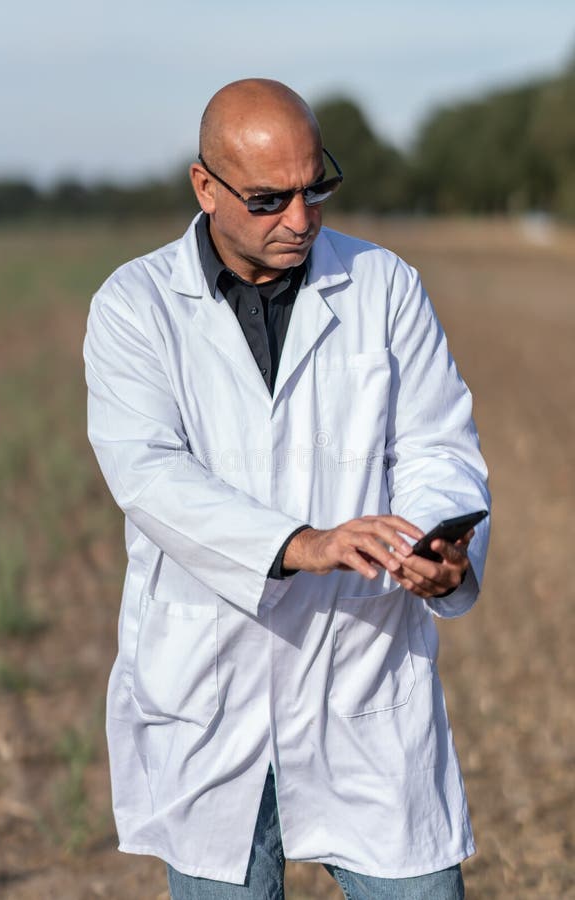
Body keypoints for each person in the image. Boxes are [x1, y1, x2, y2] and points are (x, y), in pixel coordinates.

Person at [84, 79, 490, 899]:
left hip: (362, 675)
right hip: (211, 687)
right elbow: (150, 475)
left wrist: (446, 544)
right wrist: (299, 545)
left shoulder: (384, 284)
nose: (301, 220)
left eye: (317, 189)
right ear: (206, 186)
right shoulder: (136, 307)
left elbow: (436, 442)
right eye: (270, 199)